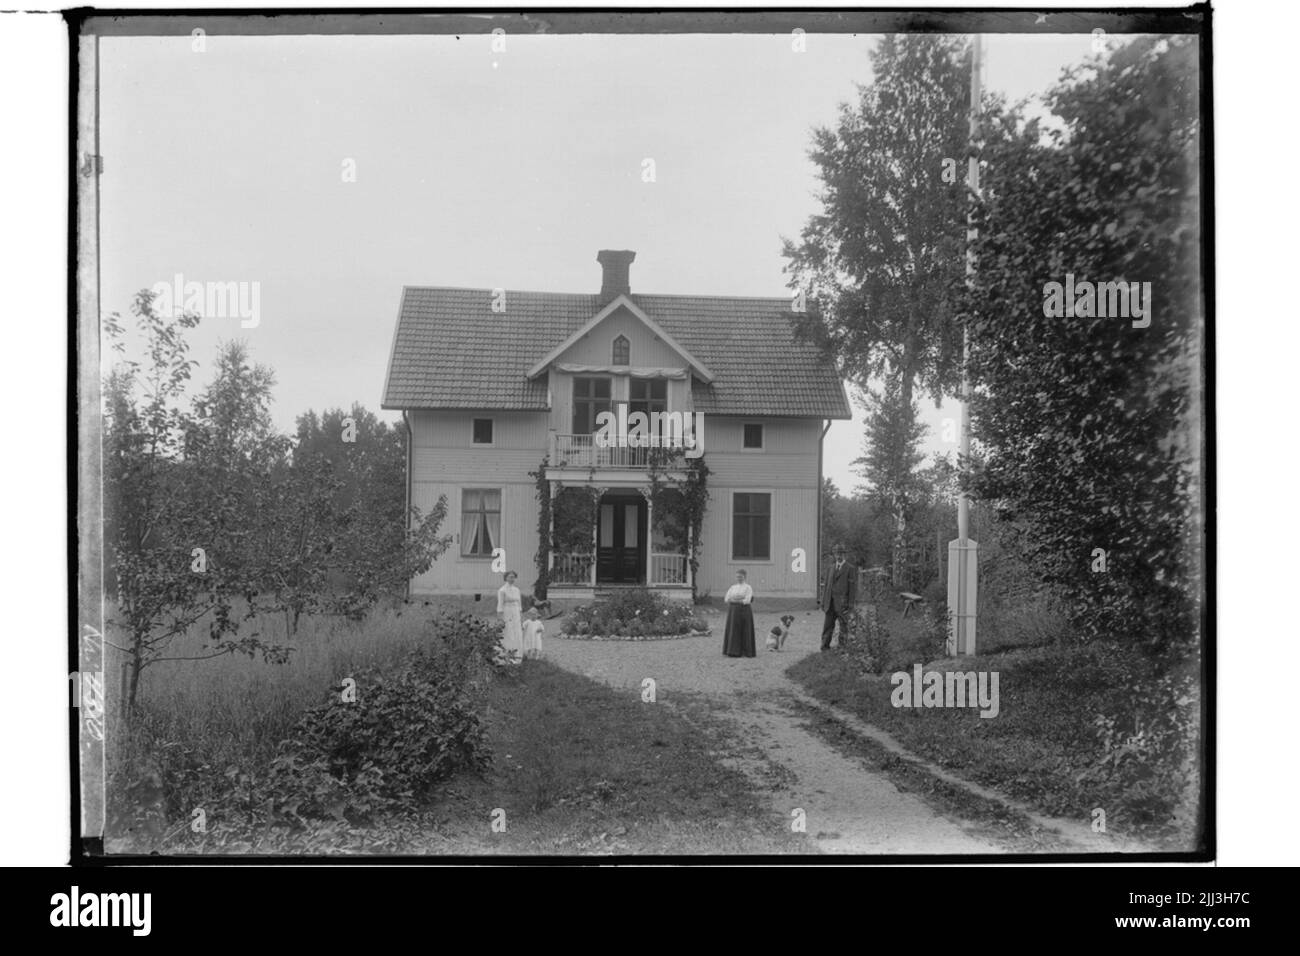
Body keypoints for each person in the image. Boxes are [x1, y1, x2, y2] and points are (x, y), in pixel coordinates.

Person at [820, 544, 857, 651]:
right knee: (827, 626)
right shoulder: (830, 568)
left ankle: (842, 648)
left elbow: (852, 588)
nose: (838, 556)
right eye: (836, 554)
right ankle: (824, 647)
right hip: (830, 603)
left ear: (844, 554)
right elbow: (826, 586)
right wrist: (823, 602)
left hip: (842, 604)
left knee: (843, 626)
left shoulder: (850, 569)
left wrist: (850, 604)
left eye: (840, 553)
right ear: (834, 555)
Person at [722, 569, 756, 658]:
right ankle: (732, 651)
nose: (739, 578)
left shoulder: (748, 587)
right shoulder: (733, 587)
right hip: (733, 612)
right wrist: (739, 598)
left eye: (741, 577)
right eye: (737, 577)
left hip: (744, 611)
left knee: (745, 630)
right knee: (733, 630)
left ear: (745, 577)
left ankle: (745, 651)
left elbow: (747, 600)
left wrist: (736, 599)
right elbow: (727, 598)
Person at [497, 570, 524, 663]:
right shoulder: (502, 590)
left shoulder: (517, 590)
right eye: (510, 577)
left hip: (516, 612)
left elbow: (520, 605)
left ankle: (517, 655)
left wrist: (521, 617)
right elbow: (500, 606)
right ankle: (508, 655)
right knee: (509, 632)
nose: (512, 579)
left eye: (513, 577)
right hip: (507, 612)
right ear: (506, 578)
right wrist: (500, 619)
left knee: (517, 632)